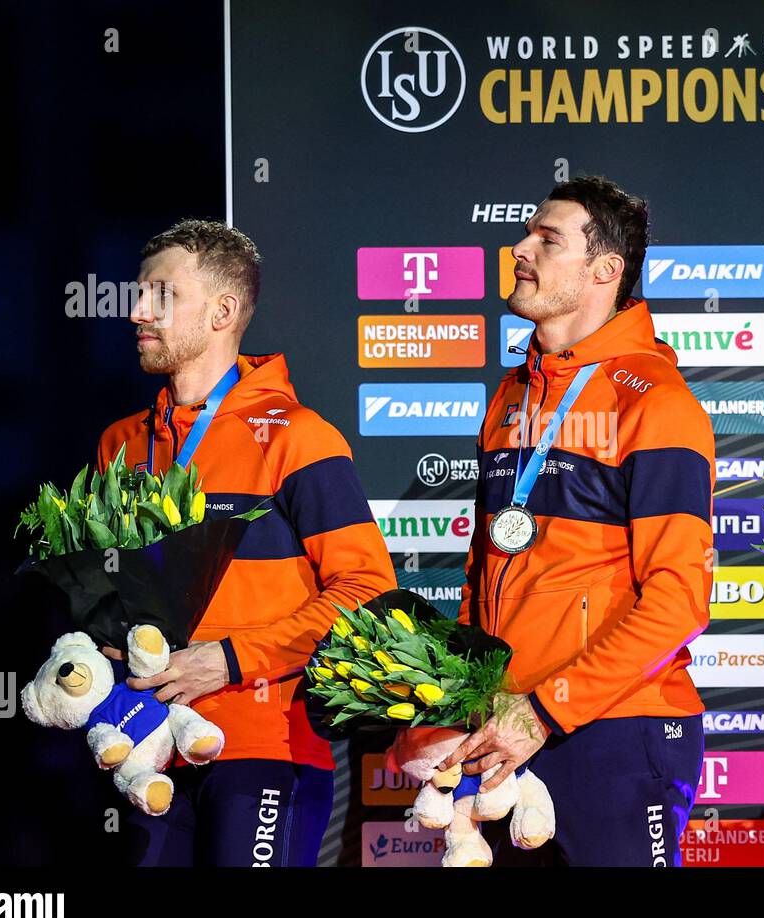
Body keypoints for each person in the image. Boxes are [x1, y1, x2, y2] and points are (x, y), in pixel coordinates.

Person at [95, 220, 395, 865]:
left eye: (160, 295)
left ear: (223, 310)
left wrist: (228, 660)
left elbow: (368, 592)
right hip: (142, 743)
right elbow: (105, 587)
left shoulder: (299, 438)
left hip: (265, 744)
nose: (136, 311)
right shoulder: (121, 443)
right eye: (137, 293)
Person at [438, 176, 715, 866]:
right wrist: (469, 698)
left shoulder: (657, 404)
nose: (519, 248)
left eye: (546, 238)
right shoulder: (511, 396)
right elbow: (487, 572)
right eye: (526, 233)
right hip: (509, 729)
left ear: (605, 270)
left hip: (616, 728)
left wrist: (548, 709)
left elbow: (679, 599)